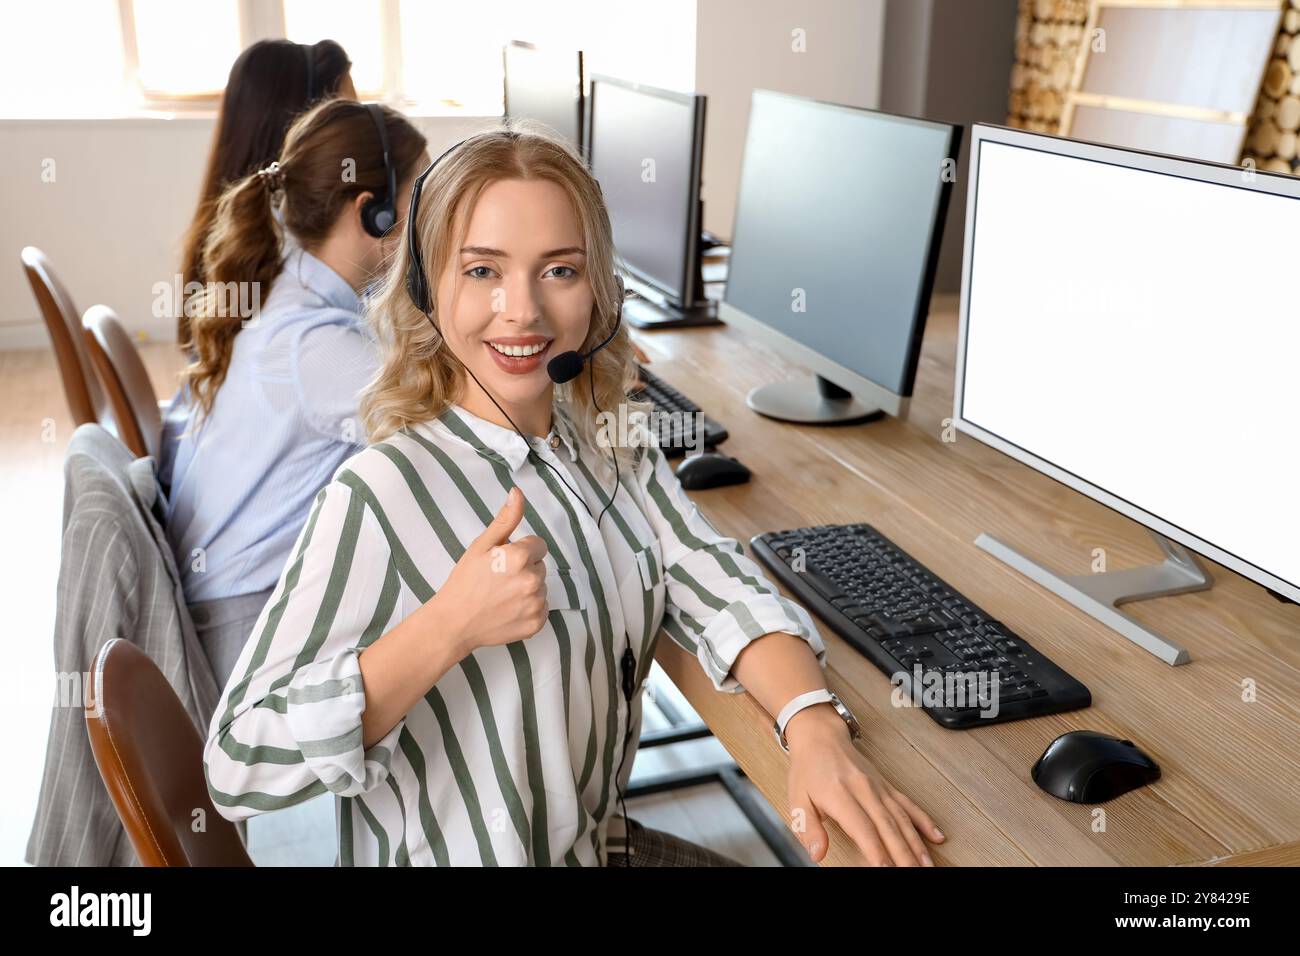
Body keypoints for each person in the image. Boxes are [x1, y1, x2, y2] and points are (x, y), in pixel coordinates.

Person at [203, 125, 947, 867]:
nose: (522, 311)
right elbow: (235, 762)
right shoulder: (382, 493)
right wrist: (446, 629)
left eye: (559, 270)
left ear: (599, 288)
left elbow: (712, 575)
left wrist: (813, 722)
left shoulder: (604, 439)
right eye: (483, 271)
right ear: (428, 288)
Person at [166, 99, 427, 688]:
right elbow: (458, 429)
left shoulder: (289, 278)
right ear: (375, 213)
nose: (428, 221)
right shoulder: (314, 348)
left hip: (227, 596)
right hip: (243, 635)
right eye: (420, 199)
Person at [176, 38, 354, 348]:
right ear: (304, 130)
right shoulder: (283, 250)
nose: (364, 136)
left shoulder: (227, 234)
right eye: (349, 119)